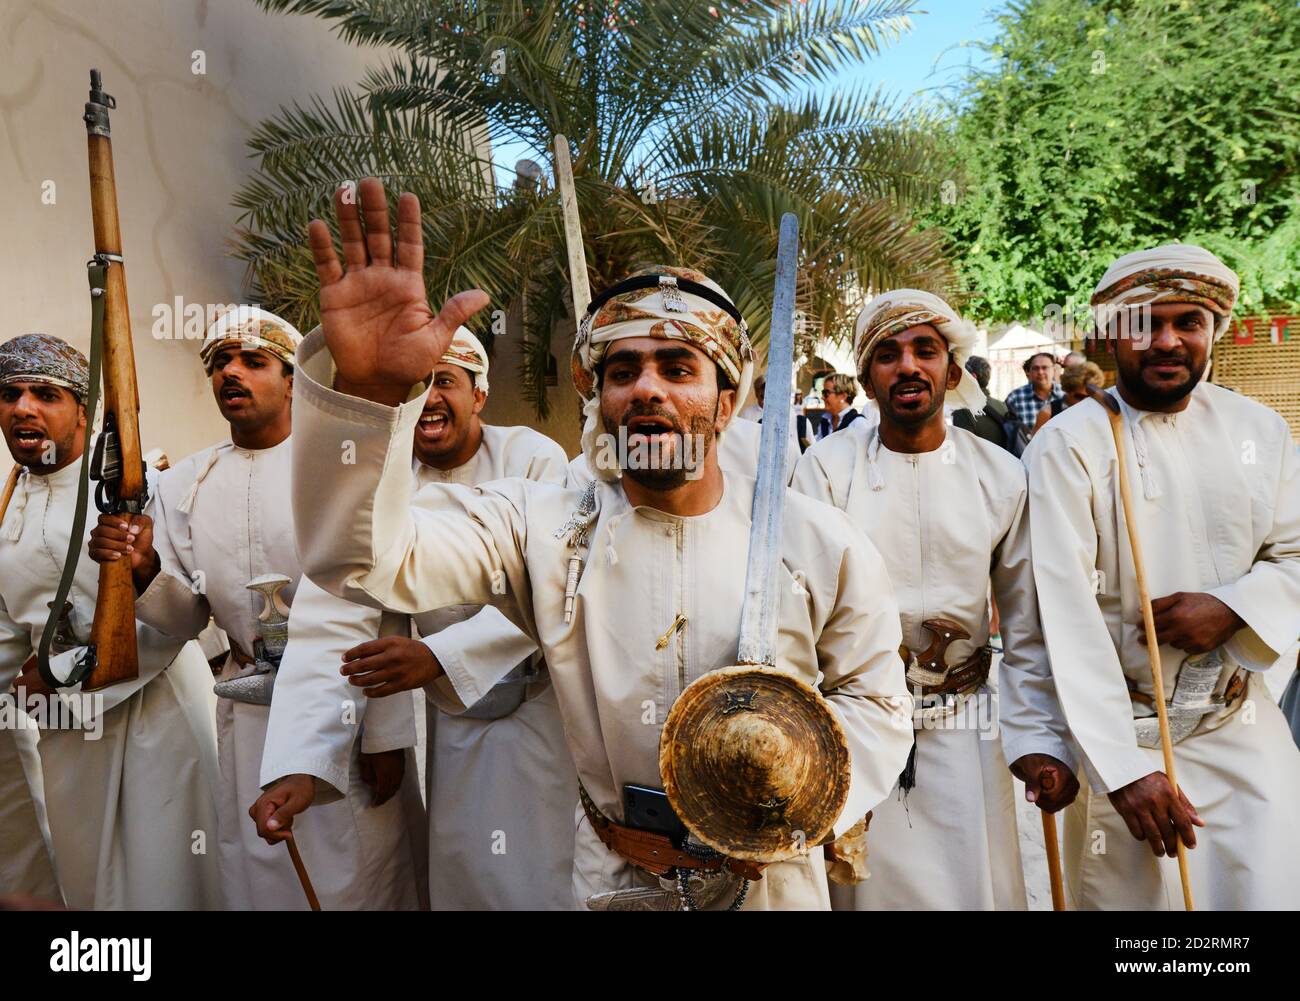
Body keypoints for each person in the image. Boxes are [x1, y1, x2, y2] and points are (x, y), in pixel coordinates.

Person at [288, 178, 913, 910]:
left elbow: (876, 701)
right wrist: (369, 399)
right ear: (601, 399)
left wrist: (790, 801)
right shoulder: (544, 528)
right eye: (623, 371)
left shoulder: (818, 544)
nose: (646, 388)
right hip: (615, 882)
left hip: (771, 884)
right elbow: (364, 559)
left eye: (677, 368)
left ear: (725, 400)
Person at [88, 307, 420, 910]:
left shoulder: (340, 468)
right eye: (219, 364)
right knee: (258, 872)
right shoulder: (188, 481)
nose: (230, 374)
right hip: (248, 712)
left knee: (358, 875)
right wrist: (146, 572)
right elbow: (186, 619)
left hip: (347, 703)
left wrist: (386, 734)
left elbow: (388, 605)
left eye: (252, 361)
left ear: (293, 379)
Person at [252, 328, 579, 910]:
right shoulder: (380, 475)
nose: (430, 398)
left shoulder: (532, 458)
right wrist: (299, 764)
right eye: (420, 385)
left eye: (445, 382)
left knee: (547, 876)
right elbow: (335, 612)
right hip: (448, 725)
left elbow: (556, 583)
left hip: (542, 713)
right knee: (468, 873)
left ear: (478, 395)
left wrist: (440, 655)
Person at [1025, 243, 1300, 909]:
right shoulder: (1068, 446)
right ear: (1113, 333)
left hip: (1240, 729)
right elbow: (1060, 618)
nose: (1167, 341)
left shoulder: (1258, 431)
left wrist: (1232, 607)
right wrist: (1124, 770)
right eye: (1145, 323)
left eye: (1189, 323)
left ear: (1213, 331)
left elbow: (1294, 553)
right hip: (1127, 747)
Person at [793, 290, 1077, 910]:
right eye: (887, 354)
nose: (908, 367)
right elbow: (798, 616)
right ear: (867, 378)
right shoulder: (824, 471)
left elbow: (1026, 629)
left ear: (952, 370)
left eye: (926, 350)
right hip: (855, 733)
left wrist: (1039, 741)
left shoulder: (1000, 475)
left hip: (963, 727)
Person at [1, 333, 220, 909]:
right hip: (66, 737)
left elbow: (184, 617)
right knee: (89, 892)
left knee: (166, 884)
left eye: (44, 394)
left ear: (84, 409)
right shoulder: (7, 508)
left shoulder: (144, 488)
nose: (23, 407)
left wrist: (56, 675)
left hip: (158, 716)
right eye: (9, 394)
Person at [951, 355, 1013, 450]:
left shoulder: (963, 410)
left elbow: (963, 451)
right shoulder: (1002, 405)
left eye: (961, 373)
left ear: (972, 377)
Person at [1032, 361, 1104, 436]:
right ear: (1068, 391)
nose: (1085, 401)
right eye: (1080, 397)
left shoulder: (1097, 410)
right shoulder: (1048, 412)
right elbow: (1034, 445)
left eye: (1090, 397)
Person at [1005, 351, 1063, 433]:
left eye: (1044, 367)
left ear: (1053, 370)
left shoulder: (1066, 395)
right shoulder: (1015, 398)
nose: (1040, 372)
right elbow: (1009, 433)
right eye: (1036, 368)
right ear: (1029, 372)